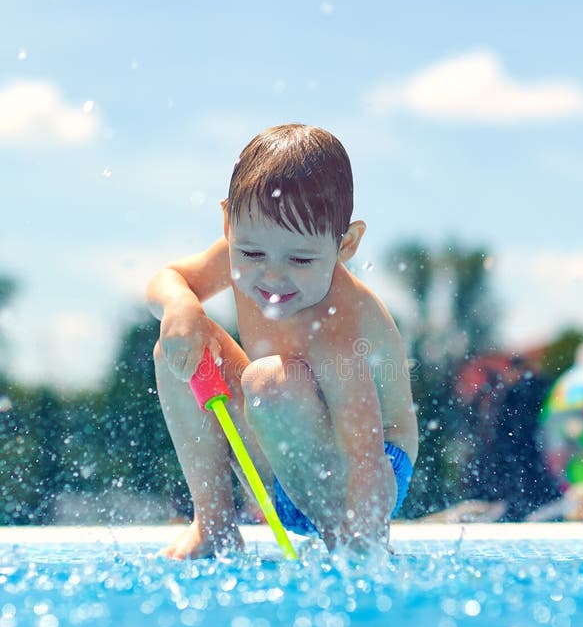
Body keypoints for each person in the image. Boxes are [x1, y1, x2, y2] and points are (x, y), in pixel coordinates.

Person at [146, 124, 418, 559]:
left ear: (345, 244)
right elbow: (168, 278)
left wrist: (363, 542)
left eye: (300, 259)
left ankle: (341, 536)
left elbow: (364, 455)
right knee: (178, 348)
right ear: (228, 224)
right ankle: (213, 525)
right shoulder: (244, 249)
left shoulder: (340, 321)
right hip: (281, 459)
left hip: (365, 477)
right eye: (251, 254)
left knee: (270, 381)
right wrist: (180, 305)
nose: (272, 276)